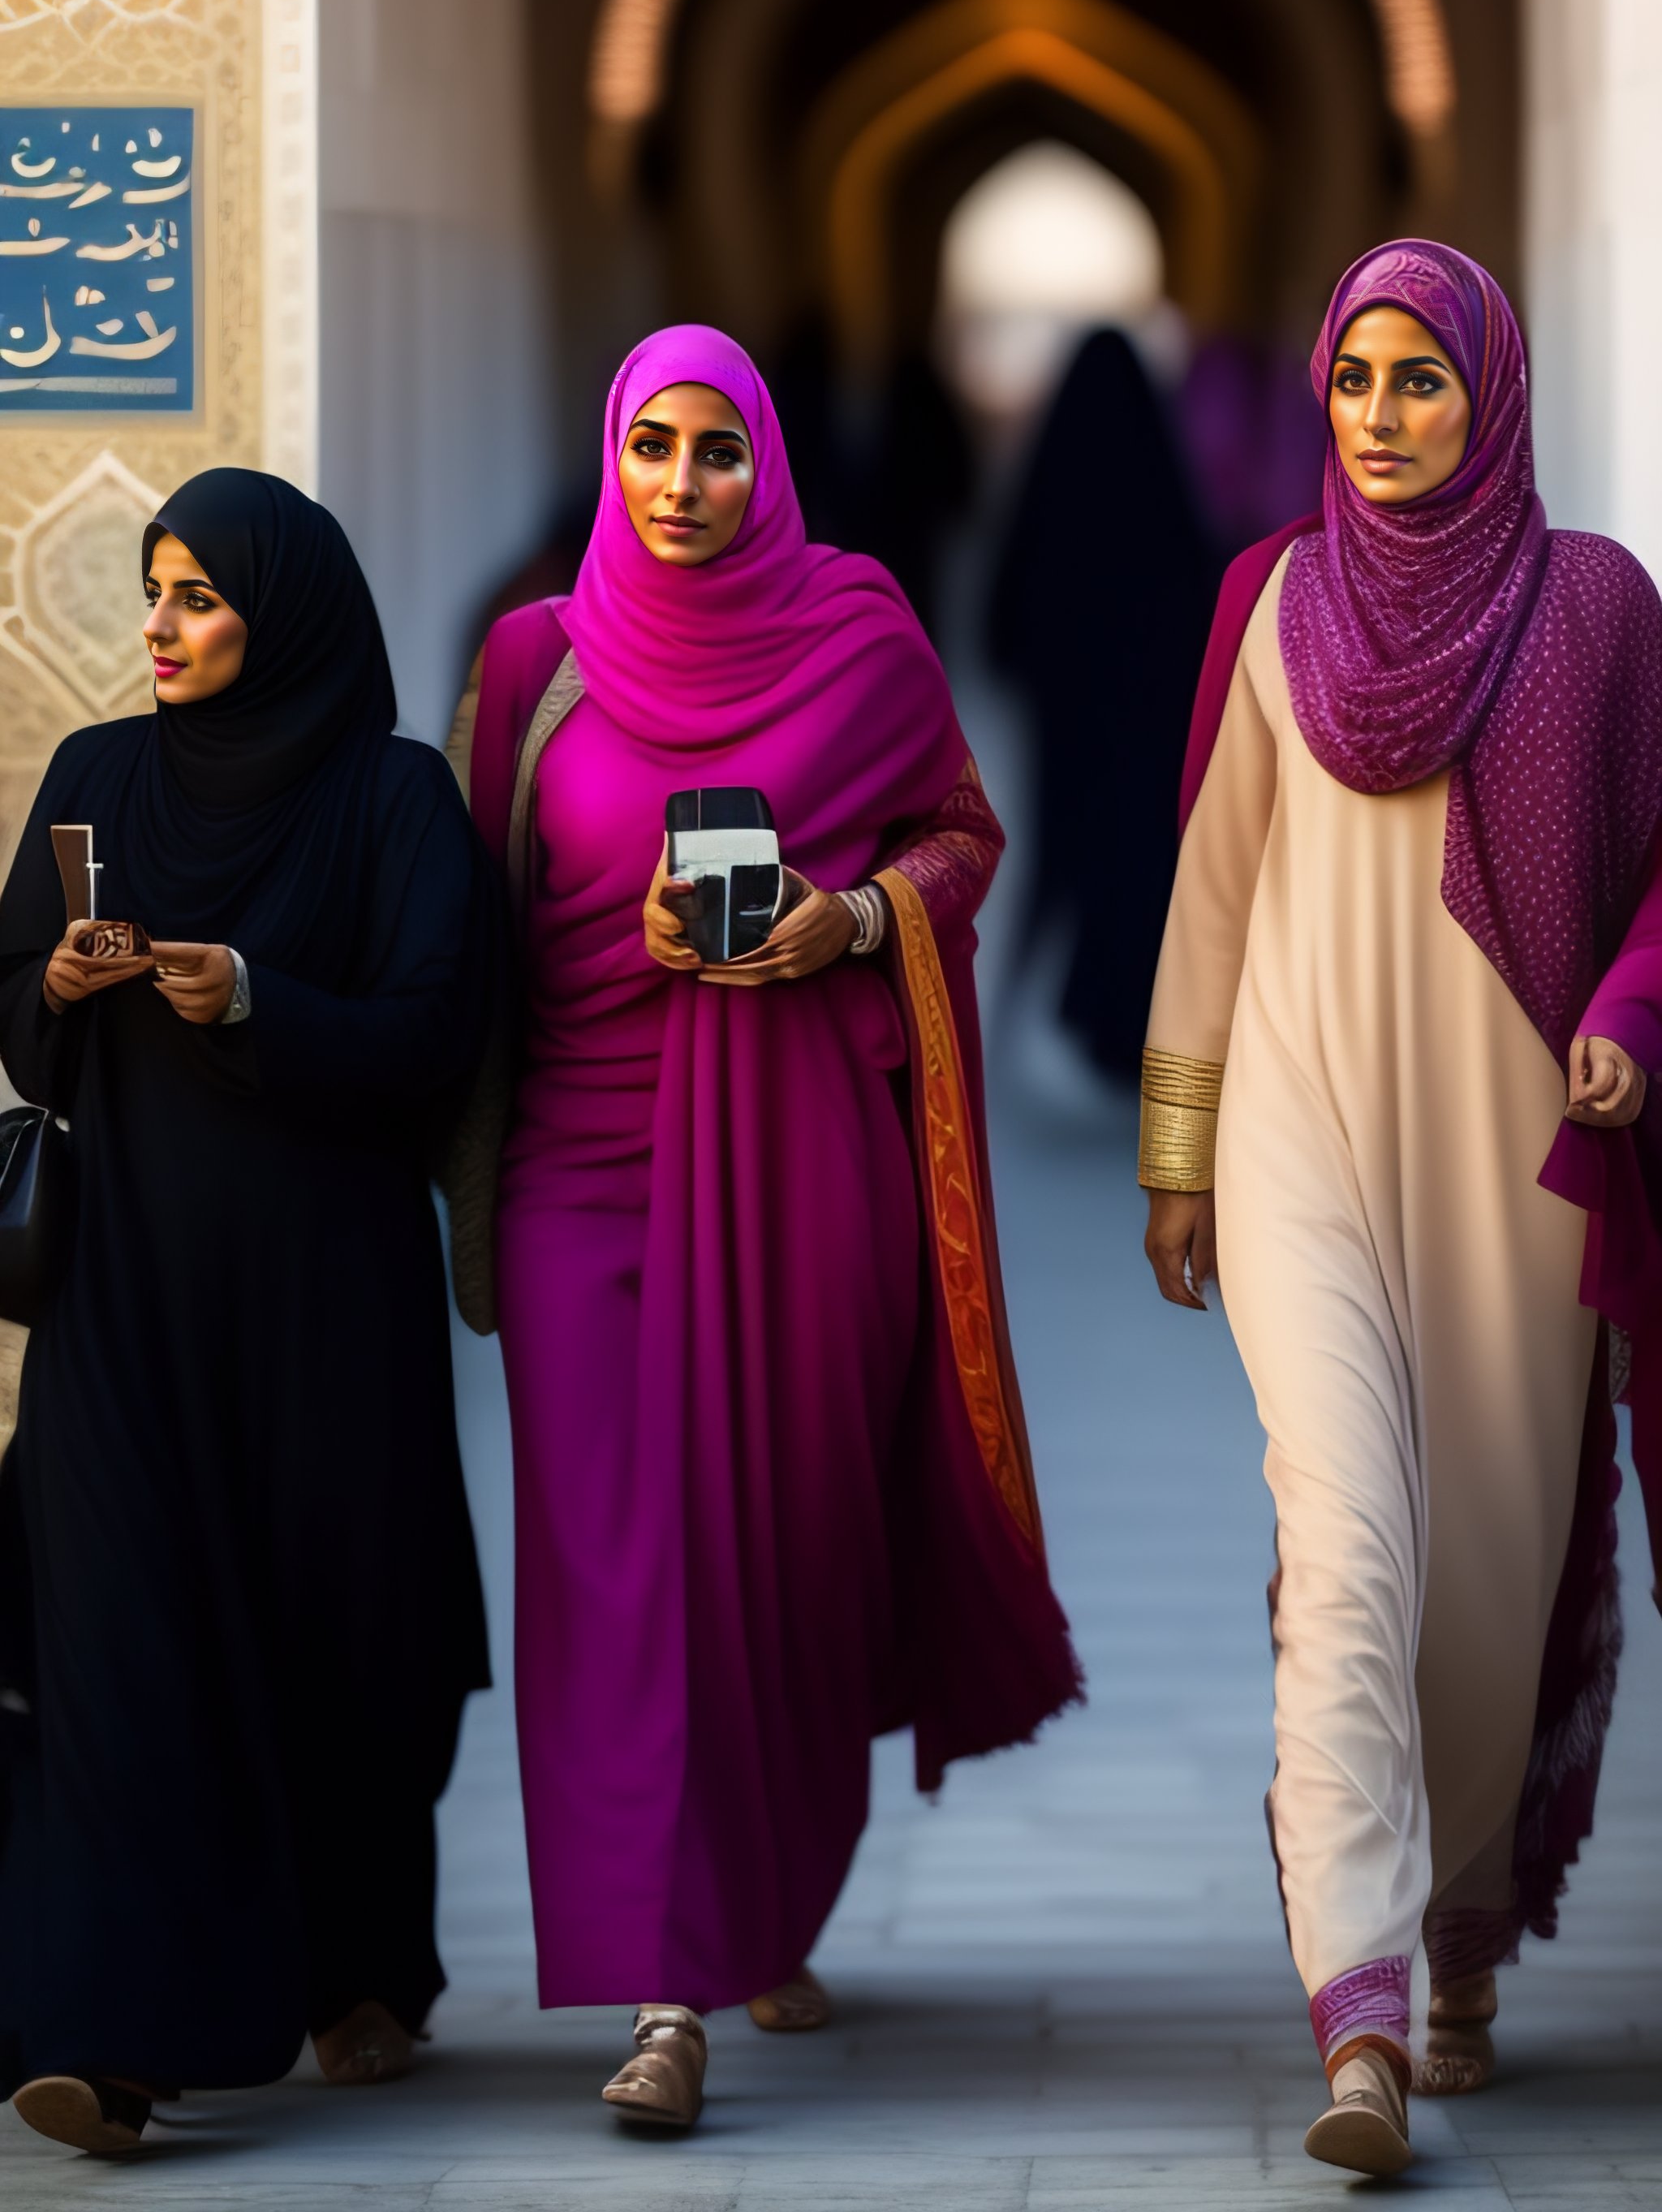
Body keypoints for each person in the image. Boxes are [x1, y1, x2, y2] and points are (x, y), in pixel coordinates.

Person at [463, 324, 1080, 2131]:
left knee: (781, 1552)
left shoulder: (861, 632)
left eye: (713, 452)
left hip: (810, 1163)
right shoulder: (535, 664)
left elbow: (963, 831)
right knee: (618, 1572)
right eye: (649, 447)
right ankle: (664, 1983)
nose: (677, 485)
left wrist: (855, 919)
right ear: (611, 452)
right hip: (583, 1175)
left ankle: (769, 1895)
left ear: (766, 465)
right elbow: (473, 922)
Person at [1139, 240, 1662, 2176]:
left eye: (1415, 380)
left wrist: (1624, 1019)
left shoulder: (1598, 607)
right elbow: (1209, 880)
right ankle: (1351, 1999)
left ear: (1487, 392)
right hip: (1297, 1124)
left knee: (1486, 1577)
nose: (1375, 414)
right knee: (1350, 1536)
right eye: (1351, 378)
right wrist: (1177, 1142)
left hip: (1515, 1148)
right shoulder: (1266, 603)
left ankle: (1458, 1924)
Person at [0, 470, 493, 2154]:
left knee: (337, 1651)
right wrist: (56, 989)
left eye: (199, 595)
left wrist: (262, 999)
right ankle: (117, 2045)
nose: (159, 623)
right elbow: (12, 1007)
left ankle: (352, 1963)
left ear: (279, 615)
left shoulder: (393, 801)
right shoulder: (97, 778)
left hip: (321, 1323)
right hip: (121, 1300)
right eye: (155, 589)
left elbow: (441, 1028)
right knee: (119, 1652)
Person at [988, 328, 1214, 1082]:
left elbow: (1005, 619)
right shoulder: (1162, 493)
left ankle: (1024, 1019)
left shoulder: (1054, 488)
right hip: (1147, 720)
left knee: (1061, 857)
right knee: (1139, 862)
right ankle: (1127, 1028)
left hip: (1068, 719)